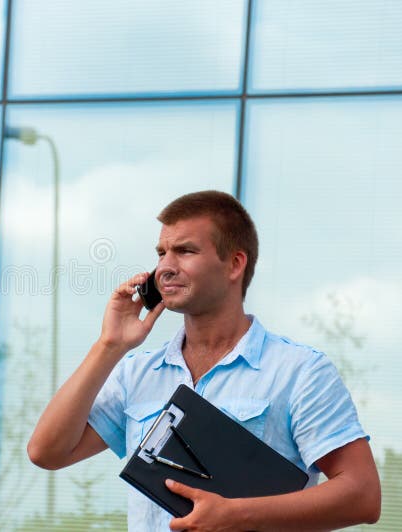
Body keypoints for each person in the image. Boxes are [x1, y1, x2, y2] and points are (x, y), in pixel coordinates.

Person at [27, 190, 380, 531]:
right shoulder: (138, 373)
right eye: (161, 252)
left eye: (184, 251)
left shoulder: (299, 372)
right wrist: (109, 345)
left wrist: (237, 515)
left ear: (234, 264)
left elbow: (363, 495)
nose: (164, 267)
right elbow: (47, 452)